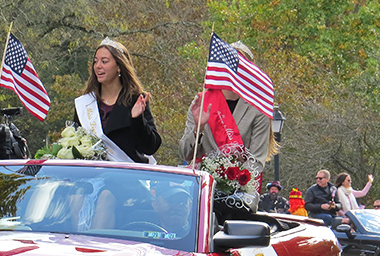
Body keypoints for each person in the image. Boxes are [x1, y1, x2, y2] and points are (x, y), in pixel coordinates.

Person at [179, 41, 276, 177]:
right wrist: (197, 129)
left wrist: (231, 182)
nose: (232, 69)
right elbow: (185, 154)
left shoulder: (258, 109)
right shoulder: (202, 102)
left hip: (239, 187)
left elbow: (256, 161)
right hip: (202, 184)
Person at [73, 37, 161, 163]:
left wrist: (137, 119)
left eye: (104, 61)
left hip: (127, 178)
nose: (98, 66)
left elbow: (150, 147)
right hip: (93, 178)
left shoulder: (135, 100)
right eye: (95, 61)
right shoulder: (86, 104)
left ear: (119, 67)